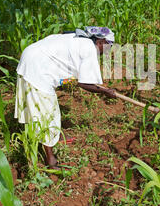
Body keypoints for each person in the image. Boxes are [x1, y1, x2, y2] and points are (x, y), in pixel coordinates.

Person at [14, 26, 116, 169]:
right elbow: (84, 83)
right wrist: (105, 92)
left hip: (30, 57)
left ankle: (47, 137)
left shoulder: (80, 39)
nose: (108, 52)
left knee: (36, 107)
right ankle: (50, 160)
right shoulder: (90, 50)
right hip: (37, 69)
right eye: (109, 47)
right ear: (102, 42)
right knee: (50, 115)